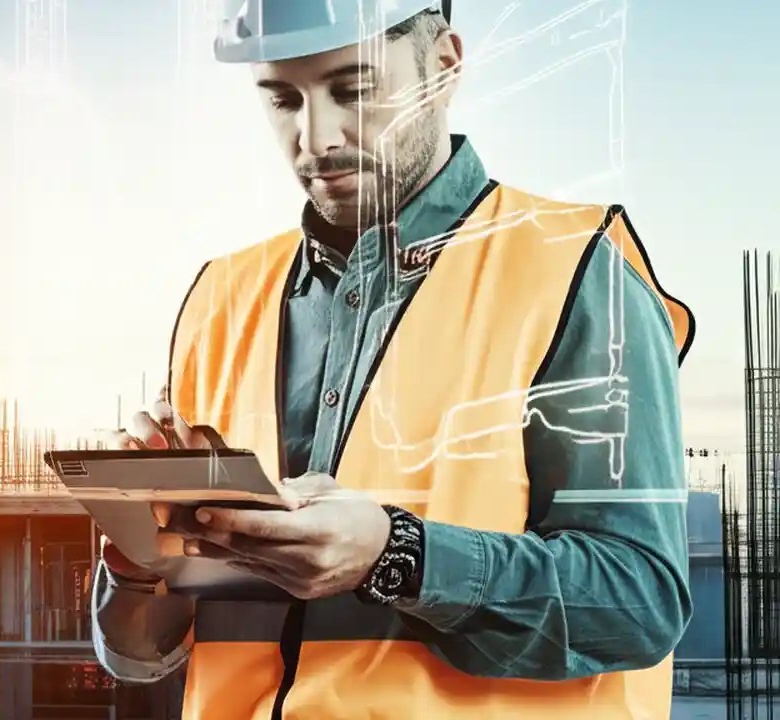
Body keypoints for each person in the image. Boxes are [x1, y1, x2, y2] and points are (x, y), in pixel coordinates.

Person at [90, 1, 697, 719]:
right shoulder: (220, 298)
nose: (314, 139)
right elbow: (142, 655)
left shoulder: (578, 273)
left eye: (353, 89)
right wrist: (138, 570)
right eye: (284, 99)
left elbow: (640, 602)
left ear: (444, 66)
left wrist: (397, 556)